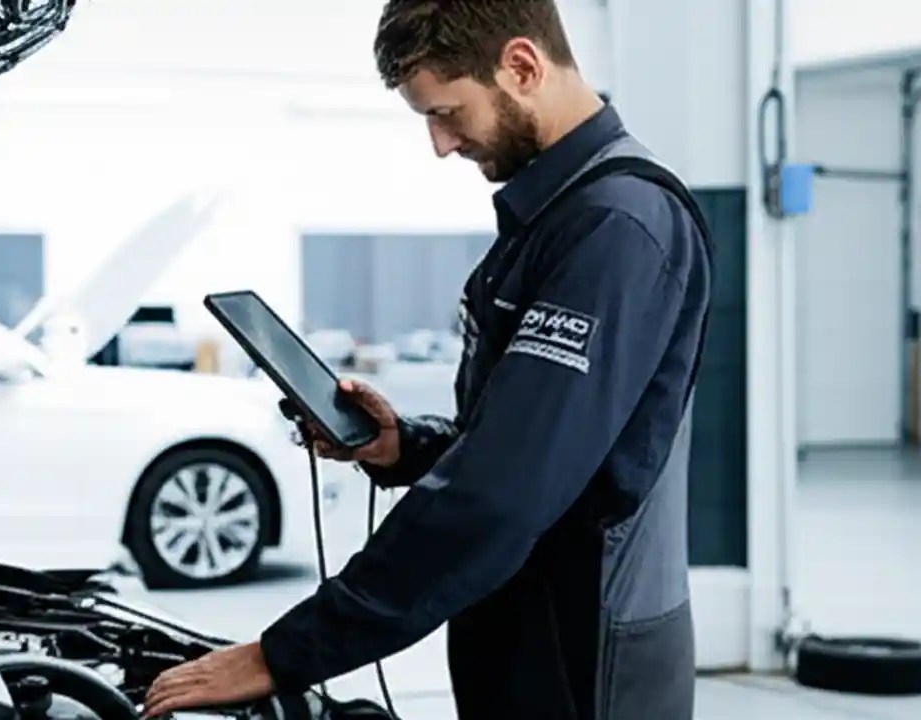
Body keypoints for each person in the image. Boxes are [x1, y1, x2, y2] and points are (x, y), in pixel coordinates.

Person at [142, 1, 712, 718]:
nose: (441, 144)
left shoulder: (616, 227)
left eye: (445, 112)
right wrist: (404, 447)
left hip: (584, 654)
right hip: (524, 628)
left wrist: (283, 654)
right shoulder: (559, 214)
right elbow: (538, 440)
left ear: (523, 66)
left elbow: (504, 491)